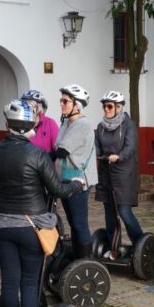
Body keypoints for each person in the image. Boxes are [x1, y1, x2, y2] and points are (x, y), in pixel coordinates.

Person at [0, 100, 84, 307]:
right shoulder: (37, 154)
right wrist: (77, 184)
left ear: (7, 124)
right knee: (30, 282)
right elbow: (57, 189)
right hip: (30, 226)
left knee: (10, 281)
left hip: (1, 225)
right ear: (31, 125)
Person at [94, 91, 143, 259]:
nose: (106, 109)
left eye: (109, 106)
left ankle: (140, 245)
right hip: (106, 173)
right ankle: (114, 247)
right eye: (104, 106)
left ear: (118, 108)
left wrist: (119, 156)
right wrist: (97, 154)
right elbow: (97, 145)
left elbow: (130, 146)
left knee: (124, 212)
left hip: (123, 175)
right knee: (109, 214)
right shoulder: (101, 127)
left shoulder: (128, 125)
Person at [54, 84, 97, 259]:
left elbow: (61, 151)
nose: (61, 104)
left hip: (78, 180)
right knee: (72, 221)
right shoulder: (66, 123)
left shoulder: (82, 124)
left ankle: (86, 260)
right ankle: (78, 257)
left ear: (77, 105)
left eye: (65, 101)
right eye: (61, 100)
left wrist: (36, 158)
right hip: (65, 179)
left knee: (79, 223)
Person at [22, 89, 59, 154]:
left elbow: (58, 148)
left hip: (45, 160)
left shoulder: (50, 123)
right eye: (23, 105)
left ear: (39, 108)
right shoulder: (20, 123)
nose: (26, 108)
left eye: (30, 105)